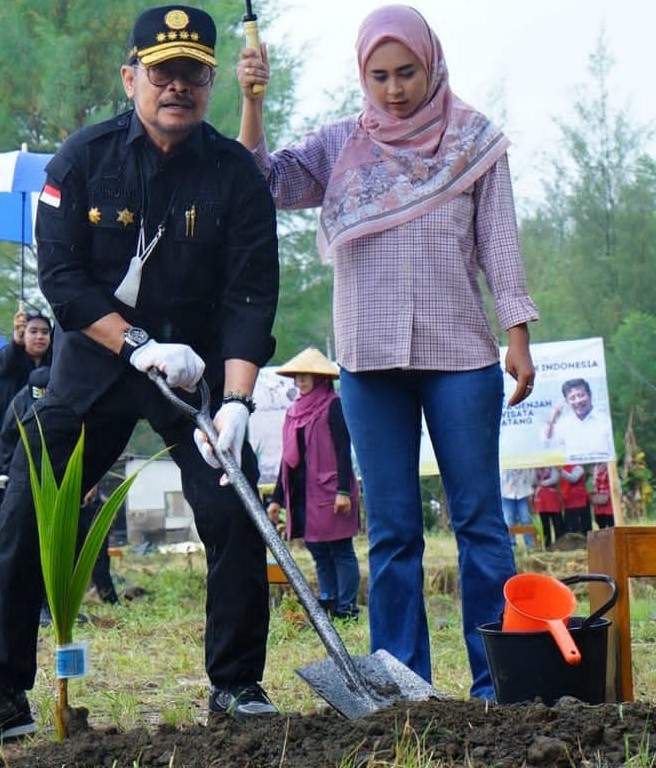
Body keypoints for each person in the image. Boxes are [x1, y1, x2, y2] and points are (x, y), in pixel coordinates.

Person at [0, 4, 279, 744]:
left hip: (192, 369)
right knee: (28, 505)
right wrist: (134, 345)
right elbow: (62, 282)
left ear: (211, 83)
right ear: (131, 77)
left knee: (233, 506)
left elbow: (251, 297)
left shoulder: (236, 177)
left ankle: (237, 685)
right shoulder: (82, 160)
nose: (178, 87)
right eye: (163, 72)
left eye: (193, 73)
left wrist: (236, 403)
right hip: (95, 362)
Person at [236, 4, 538, 700]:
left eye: (408, 73)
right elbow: (262, 183)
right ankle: (404, 688)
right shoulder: (339, 145)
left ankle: (501, 687)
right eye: (380, 76)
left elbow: (500, 242)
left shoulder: (475, 142)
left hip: (460, 354)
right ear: (362, 73)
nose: (395, 88)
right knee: (395, 532)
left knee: (480, 525)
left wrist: (516, 333)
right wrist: (254, 103)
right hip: (370, 364)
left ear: (431, 65)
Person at [265, 347, 361, 621]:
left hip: (331, 491)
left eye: (306, 375)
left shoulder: (334, 405)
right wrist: (276, 499)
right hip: (302, 493)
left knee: (341, 550)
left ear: (320, 378)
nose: (300, 381)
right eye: (297, 376)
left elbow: (344, 449)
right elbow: (288, 458)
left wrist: (344, 491)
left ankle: (347, 609)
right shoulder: (294, 411)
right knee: (318, 549)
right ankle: (328, 601)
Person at [0, 308, 53, 545]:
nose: (39, 337)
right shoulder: (9, 364)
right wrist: (17, 340)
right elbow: (10, 356)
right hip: (0, 457)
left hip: (36, 457)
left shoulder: (54, 371)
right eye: (33, 331)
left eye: (44, 332)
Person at [542, 378, 615, 463]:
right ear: (567, 401)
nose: (578, 401)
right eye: (572, 398)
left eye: (581, 395)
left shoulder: (605, 420)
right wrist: (552, 420)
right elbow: (546, 442)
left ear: (590, 395)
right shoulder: (564, 424)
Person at [500, 468, 535, 550]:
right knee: (509, 520)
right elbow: (500, 478)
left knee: (525, 519)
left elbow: (531, 478)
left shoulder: (523, 462)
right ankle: (512, 545)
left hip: (523, 493)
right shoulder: (503, 460)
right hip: (507, 494)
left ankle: (529, 545)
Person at [533, 466, 565, 549]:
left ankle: (560, 543)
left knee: (557, 522)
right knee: (545, 524)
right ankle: (548, 546)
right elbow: (533, 480)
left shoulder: (552, 467)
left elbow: (554, 479)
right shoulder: (535, 469)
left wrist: (541, 483)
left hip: (552, 496)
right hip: (541, 498)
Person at [559, 462, 591, 535]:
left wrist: (560, 471)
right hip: (568, 499)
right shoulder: (564, 467)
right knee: (570, 525)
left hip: (580, 500)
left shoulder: (578, 467)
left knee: (583, 525)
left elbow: (573, 478)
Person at [590, 462, 615, 529]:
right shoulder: (595, 469)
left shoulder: (610, 468)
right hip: (598, 499)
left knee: (610, 522)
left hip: (608, 499)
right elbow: (593, 484)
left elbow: (615, 483)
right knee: (600, 522)